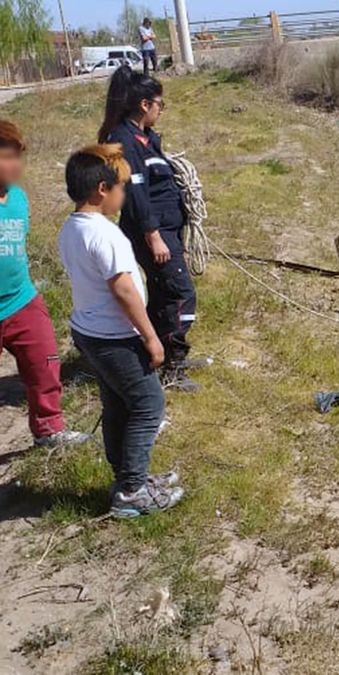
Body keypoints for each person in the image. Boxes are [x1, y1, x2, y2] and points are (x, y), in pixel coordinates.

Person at [59, 144, 183, 518]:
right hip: (116, 338)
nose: (124, 194)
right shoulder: (104, 234)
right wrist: (150, 336)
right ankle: (131, 492)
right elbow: (124, 290)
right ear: (102, 189)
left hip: (89, 331)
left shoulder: (71, 227)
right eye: (121, 187)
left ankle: (129, 477)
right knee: (148, 406)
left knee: (117, 405)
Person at [98, 66, 203, 392]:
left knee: (161, 293)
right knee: (179, 294)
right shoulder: (125, 140)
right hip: (154, 233)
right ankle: (173, 365)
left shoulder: (146, 138)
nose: (162, 109)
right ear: (144, 104)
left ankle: (165, 352)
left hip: (168, 229)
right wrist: (153, 235)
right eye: (160, 103)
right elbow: (137, 193)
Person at [0, 122, 89, 448]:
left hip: (21, 299)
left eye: (17, 157)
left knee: (45, 364)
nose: (15, 166)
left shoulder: (19, 200)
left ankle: (49, 430)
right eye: (6, 157)